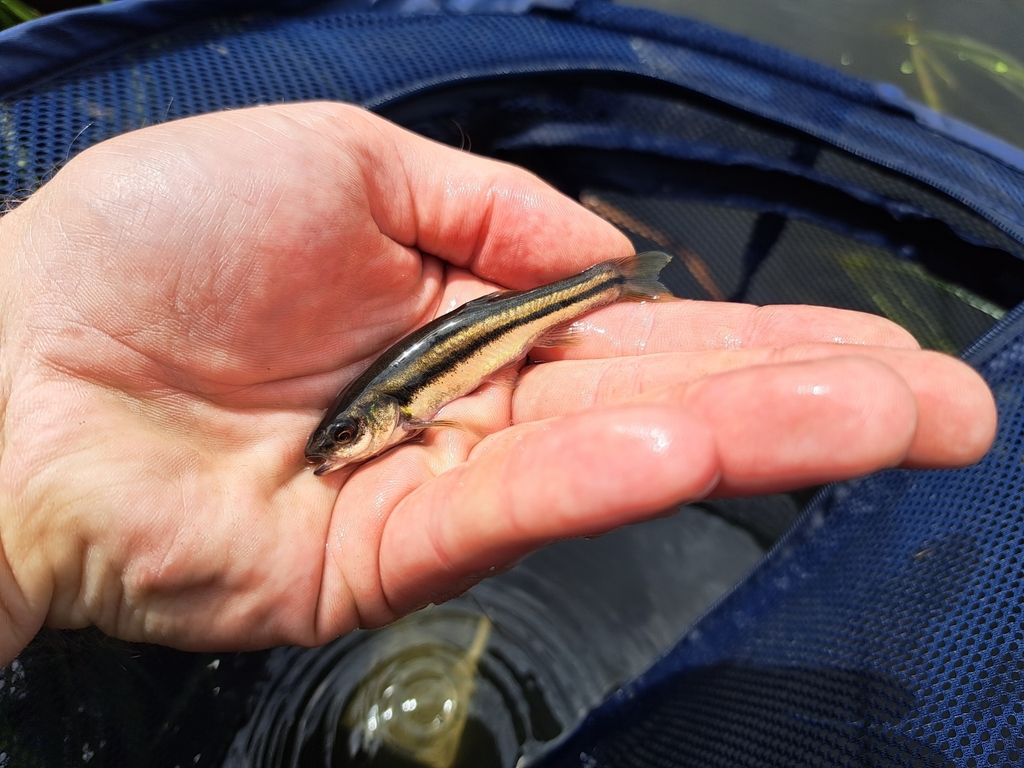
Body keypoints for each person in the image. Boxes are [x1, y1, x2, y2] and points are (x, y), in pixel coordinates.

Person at [0, 103, 996, 666]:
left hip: (502, 322)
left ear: (374, 421)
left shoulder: (395, 404)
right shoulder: (387, 409)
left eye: (341, 444)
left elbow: (423, 391)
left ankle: (613, 280)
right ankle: (612, 281)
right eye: (341, 448)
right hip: (491, 330)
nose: (337, 458)